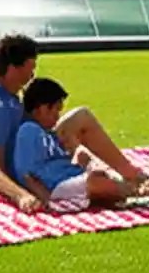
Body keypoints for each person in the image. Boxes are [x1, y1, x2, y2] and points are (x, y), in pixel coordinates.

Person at [0, 33, 145, 214]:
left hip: (37, 149)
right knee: (98, 181)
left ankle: (132, 174)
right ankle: (131, 183)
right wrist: (21, 195)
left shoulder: (9, 92)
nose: (33, 75)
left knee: (81, 116)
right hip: (27, 169)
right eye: (30, 68)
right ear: (13, 69)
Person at [12, 78, 132, 206]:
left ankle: (126, 189)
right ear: (41, 109)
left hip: (71, 177)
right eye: (56, 110)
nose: (57, 116)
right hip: (56, 184)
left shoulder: (49, 133)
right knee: (97, 183)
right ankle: (134, 190)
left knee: (101, 177)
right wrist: (45, 199)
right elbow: (25, 173)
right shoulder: (29, 130)